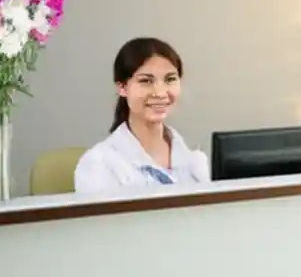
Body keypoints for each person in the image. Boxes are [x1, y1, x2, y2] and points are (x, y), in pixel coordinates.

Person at [74, 37, 209, 194]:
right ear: (123, 88)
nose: (160, 93)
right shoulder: (99, 164)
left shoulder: (195, 161)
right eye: (146, 81)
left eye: (170, 79)